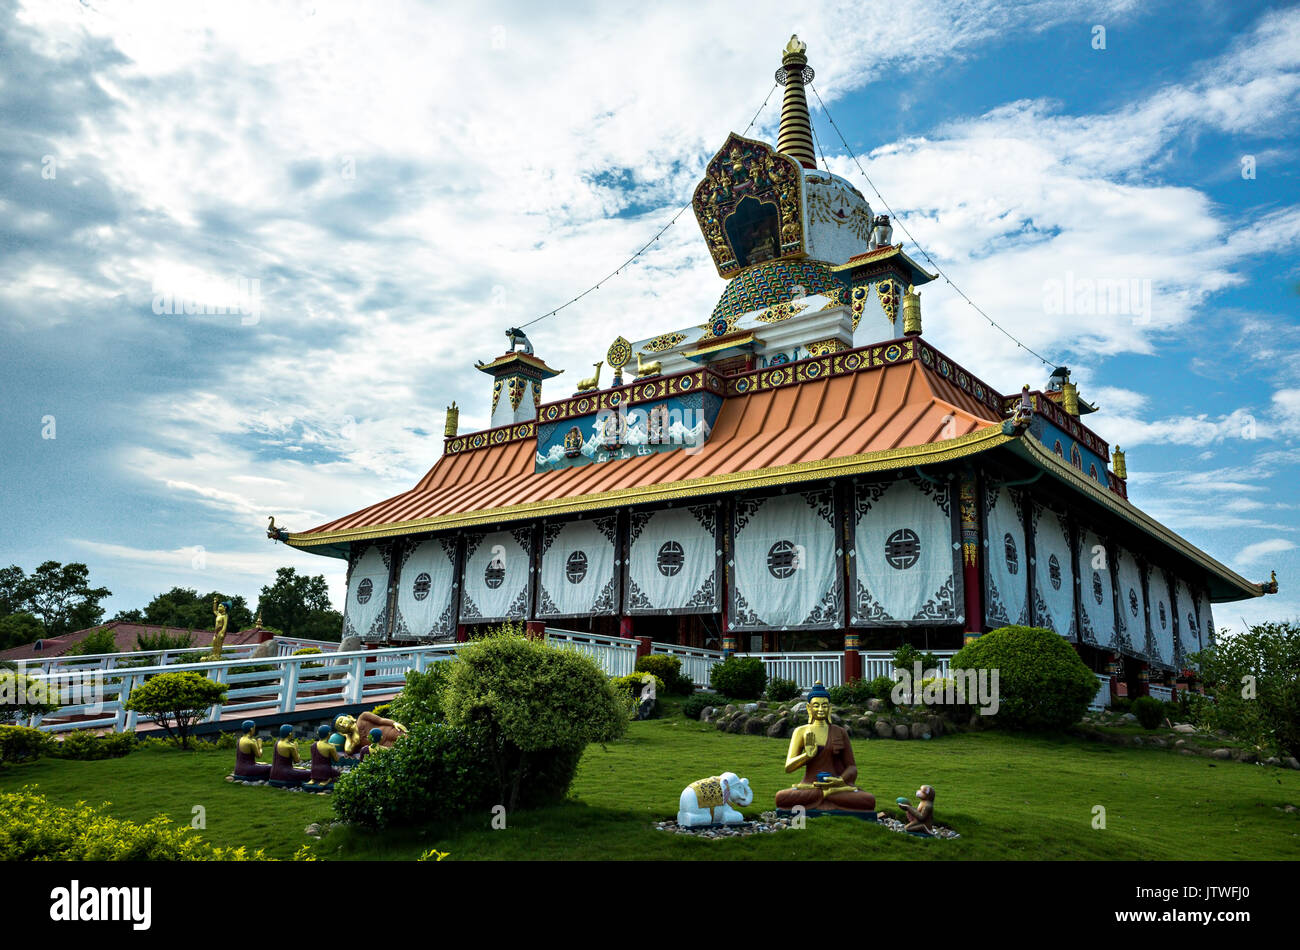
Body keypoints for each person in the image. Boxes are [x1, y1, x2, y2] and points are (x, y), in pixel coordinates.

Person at [774, 681, 876, 812]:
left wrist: (839, 780)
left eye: (824, 706)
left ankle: (825, 796)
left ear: (830, 708)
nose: (821, 709)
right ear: (809, 708)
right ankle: (826, 797)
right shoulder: (801, 731)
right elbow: (788, 767)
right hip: (810, 786)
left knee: (868, 799)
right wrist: (807, 756)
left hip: (835, 787)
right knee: (781, 797)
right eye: (816, 706)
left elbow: (852, 767)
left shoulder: (840, 732)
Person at [333, 711, 407, 755]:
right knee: (402, 751)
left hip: (389, 731)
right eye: (339, 727)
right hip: (384, 745)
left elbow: (380, 720)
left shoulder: (363, 717)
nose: (342, 724)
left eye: (341, 721)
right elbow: (348, 750)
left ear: (349, 717)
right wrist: (348, 735)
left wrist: (394, 723)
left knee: (407, 740)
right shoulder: (353, 739)